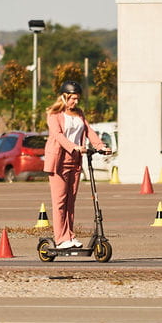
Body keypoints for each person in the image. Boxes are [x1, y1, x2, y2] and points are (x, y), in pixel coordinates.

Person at [43, 81, 109, 249]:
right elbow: (57, 135)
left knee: (70, 202)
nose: (76, 102)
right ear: (65, 97)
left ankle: (70, 236)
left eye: (78, 99)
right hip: (59, 160)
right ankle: (61, 239)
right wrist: (74, 147)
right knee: (60, 202)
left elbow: (89, 131)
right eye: (73, 99)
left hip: (76, 161)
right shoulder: (54, 114)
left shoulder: (79, 114)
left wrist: (101, 146)